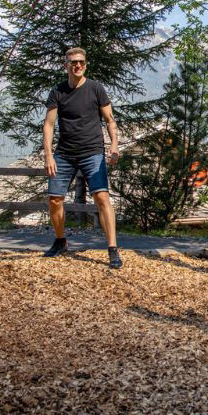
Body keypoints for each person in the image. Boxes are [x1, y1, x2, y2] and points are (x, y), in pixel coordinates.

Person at [41, 47, 122, 268]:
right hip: (64, 154)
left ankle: (113, 249)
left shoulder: (96, 88)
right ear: (65, 65)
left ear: (85, 64)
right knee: (55, 199)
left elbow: (110, 119)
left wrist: (114, 144)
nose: (78, 65)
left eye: (82, 62)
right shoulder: (58, 91)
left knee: (102, 198)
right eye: (73, 62)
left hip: (92, 151)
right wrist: (49, 155)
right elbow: (48, 125)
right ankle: (60, 241)